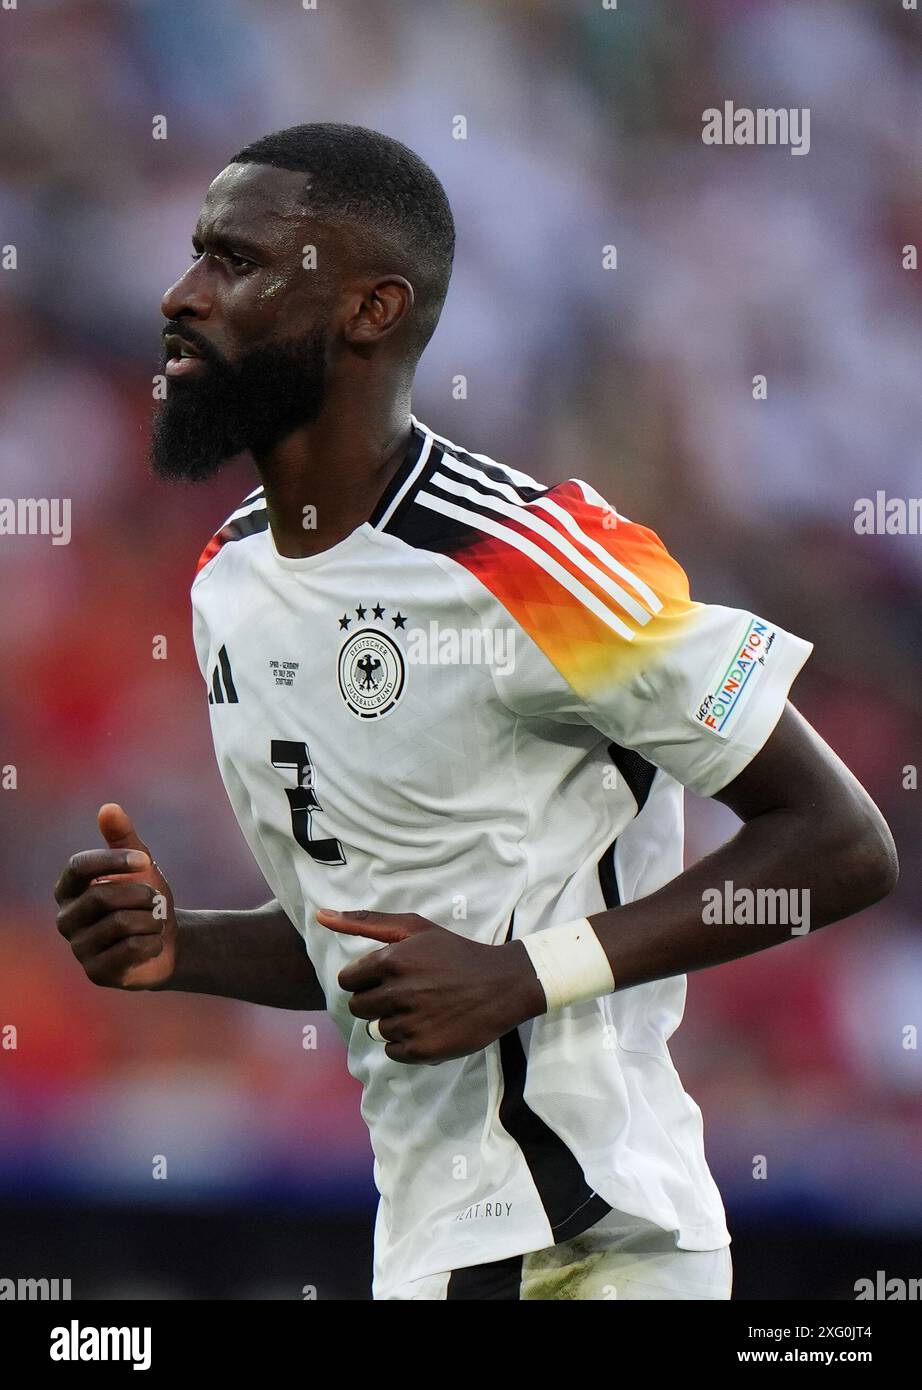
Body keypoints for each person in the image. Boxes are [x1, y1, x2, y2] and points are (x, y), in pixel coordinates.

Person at [53, 124, 898, 1301]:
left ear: (368, 309)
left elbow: (840, 840)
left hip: (594, 1240)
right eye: (196, 255)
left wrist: (523, 974)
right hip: (433, 1241)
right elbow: (373, 941)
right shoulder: (227, 585)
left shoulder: (533, 556)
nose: (181, 294)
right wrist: (179, 946)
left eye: (236, 262)